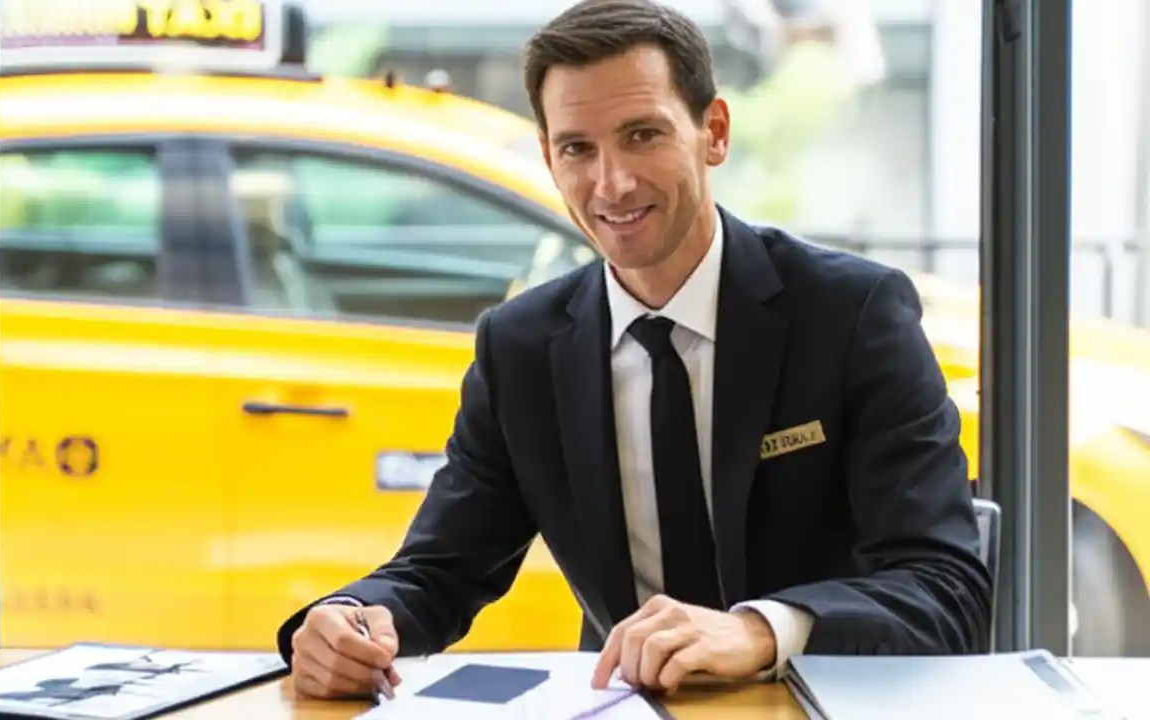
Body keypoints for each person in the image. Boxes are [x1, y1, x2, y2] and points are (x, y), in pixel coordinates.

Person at [277, 0, 992, 699]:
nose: (611, 183)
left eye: (642, 136)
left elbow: (946, 587)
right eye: (577, 149)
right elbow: (438, 572)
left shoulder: (852, 314)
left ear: (713, 131)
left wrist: (759, 631)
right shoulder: (520, 349)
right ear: (549, 158)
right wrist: (350, 620)